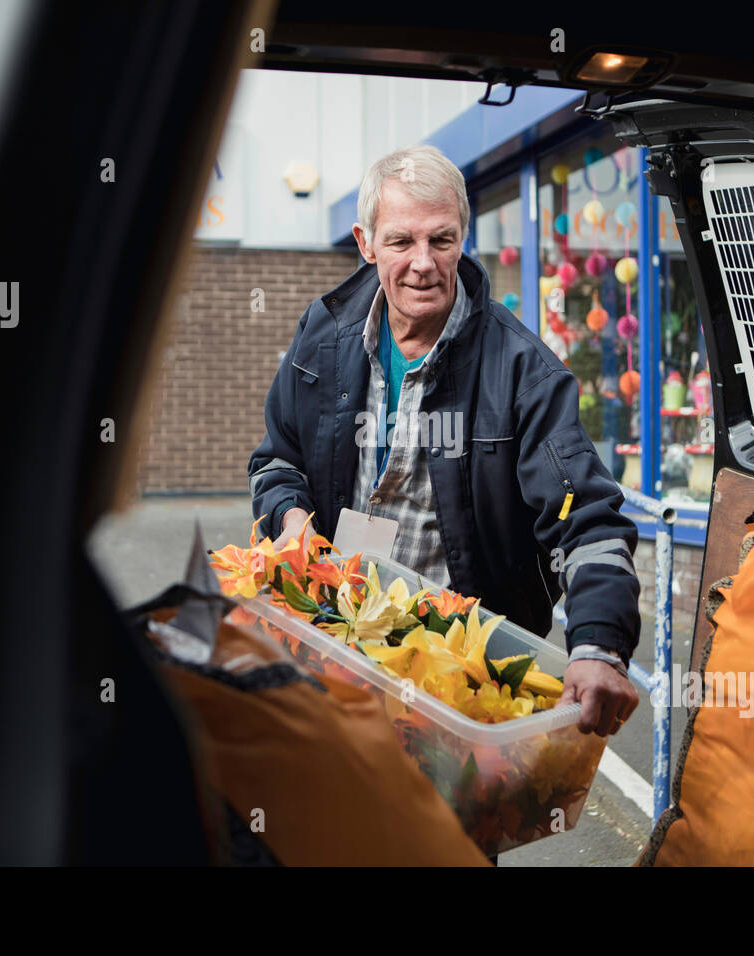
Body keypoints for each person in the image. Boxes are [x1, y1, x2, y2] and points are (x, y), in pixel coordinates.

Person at [249, 145, 641, 737]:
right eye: (401, 241)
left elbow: (585, 518)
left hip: (461, 682)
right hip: (335, 643)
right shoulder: (322, 335)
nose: (423, 264)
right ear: (366, 243)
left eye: (442, 239)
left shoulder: (522, 371)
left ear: (464, 238)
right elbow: (275, 460)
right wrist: (291, 518)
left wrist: (598, 645)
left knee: (435, 829)